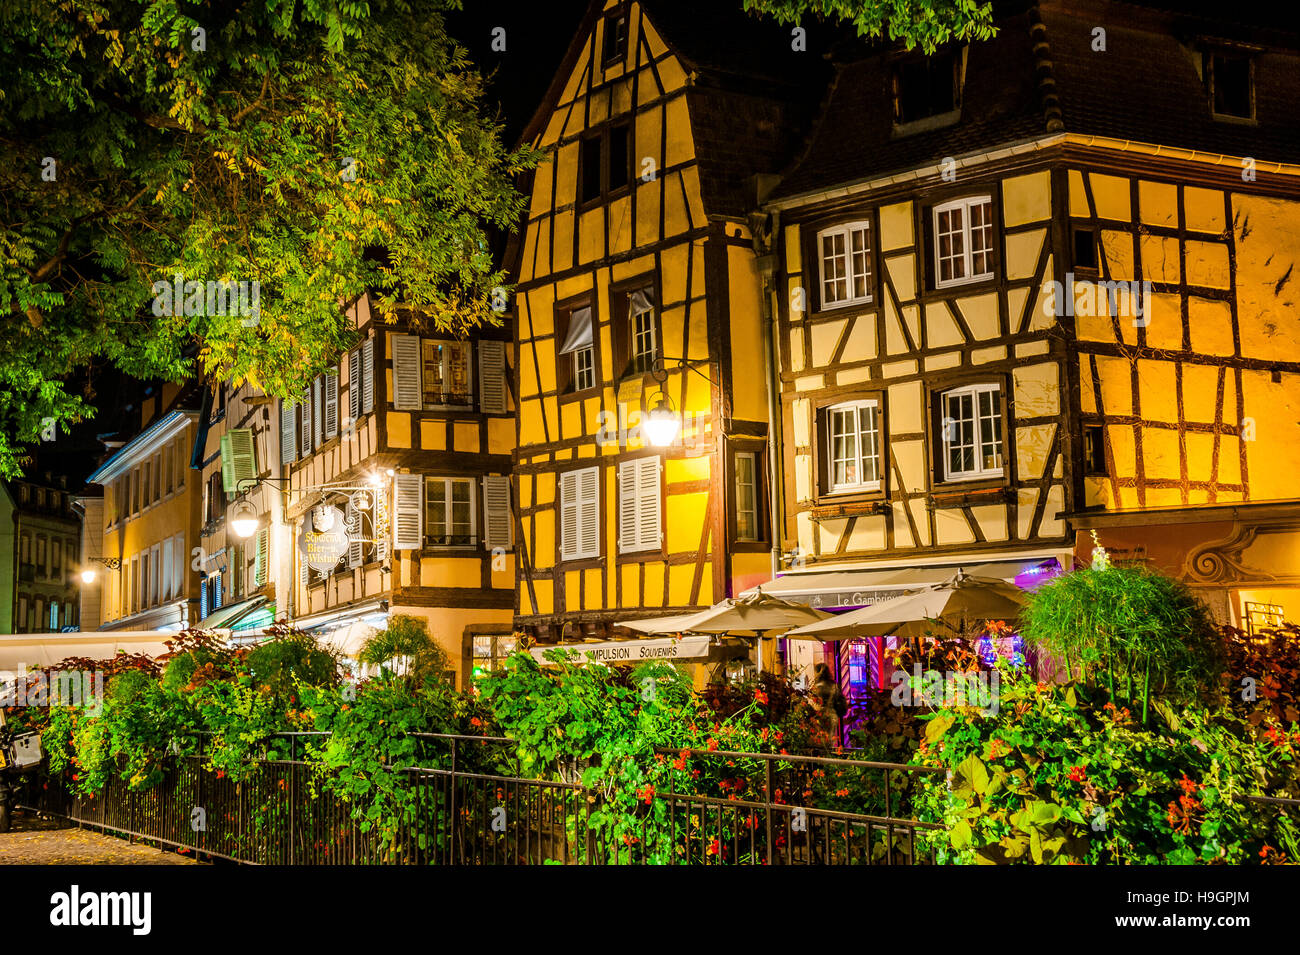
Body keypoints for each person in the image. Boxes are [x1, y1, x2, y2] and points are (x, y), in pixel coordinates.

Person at [810, 662, 847, 747]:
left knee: (820, 740)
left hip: (819, 715)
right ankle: (829, 755)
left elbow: (813, 702)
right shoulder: (834, 685)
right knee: (829, 739)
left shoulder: (816, 687)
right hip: (831, 715)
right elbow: (839, 698)